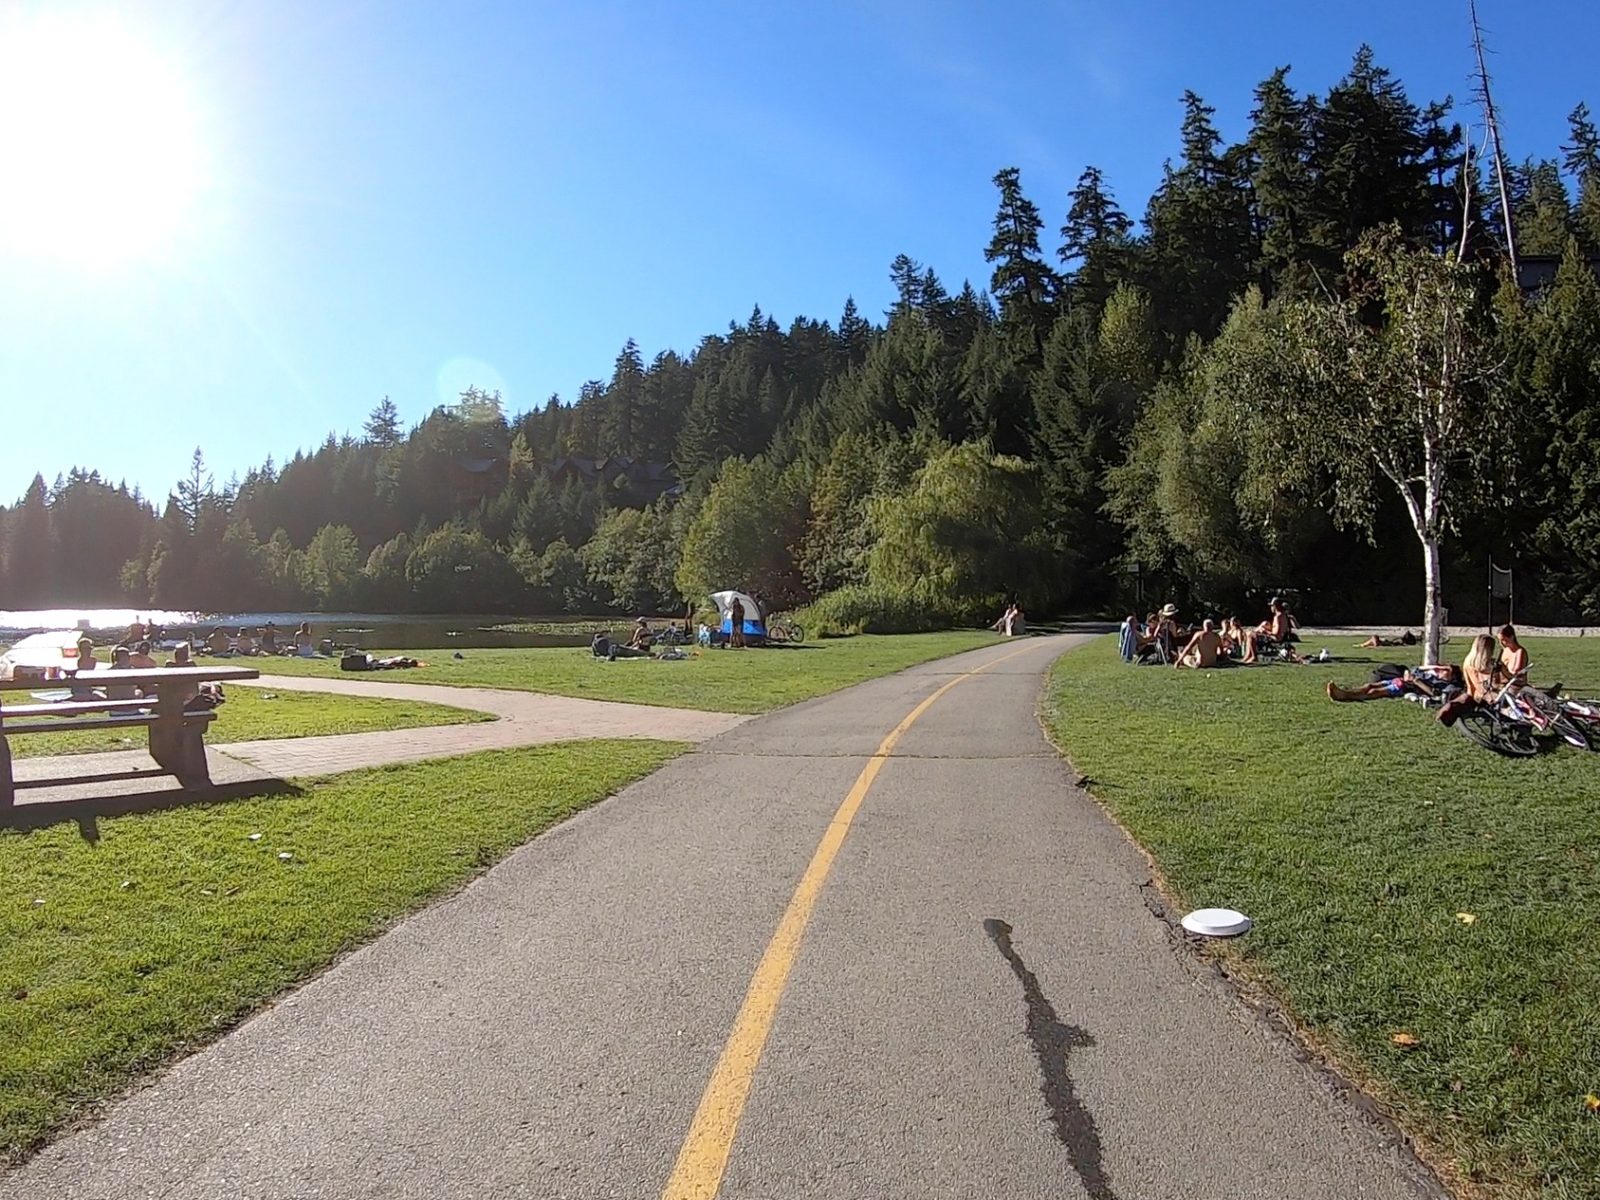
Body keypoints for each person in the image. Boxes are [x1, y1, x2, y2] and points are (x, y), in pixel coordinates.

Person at [1437, 635, 1500, 726]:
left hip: (1472, 693)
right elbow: (1483, 687)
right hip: (1483, 696)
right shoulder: (1482, 666)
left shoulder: (1469, 661)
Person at [1327, 660, 1460, 703]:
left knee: (1375, 691)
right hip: (1400, 680)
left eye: (1446, 670)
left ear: (1452, 676)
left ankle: (1345, 697)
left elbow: (1433, 694)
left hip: (1405, 687)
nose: (1442, 670)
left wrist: (1416, 680)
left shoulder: (1442, 684)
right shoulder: (1431, 673)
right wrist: (1434, 667)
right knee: (1370, 685)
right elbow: (1414, 669)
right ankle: (1345, 693)